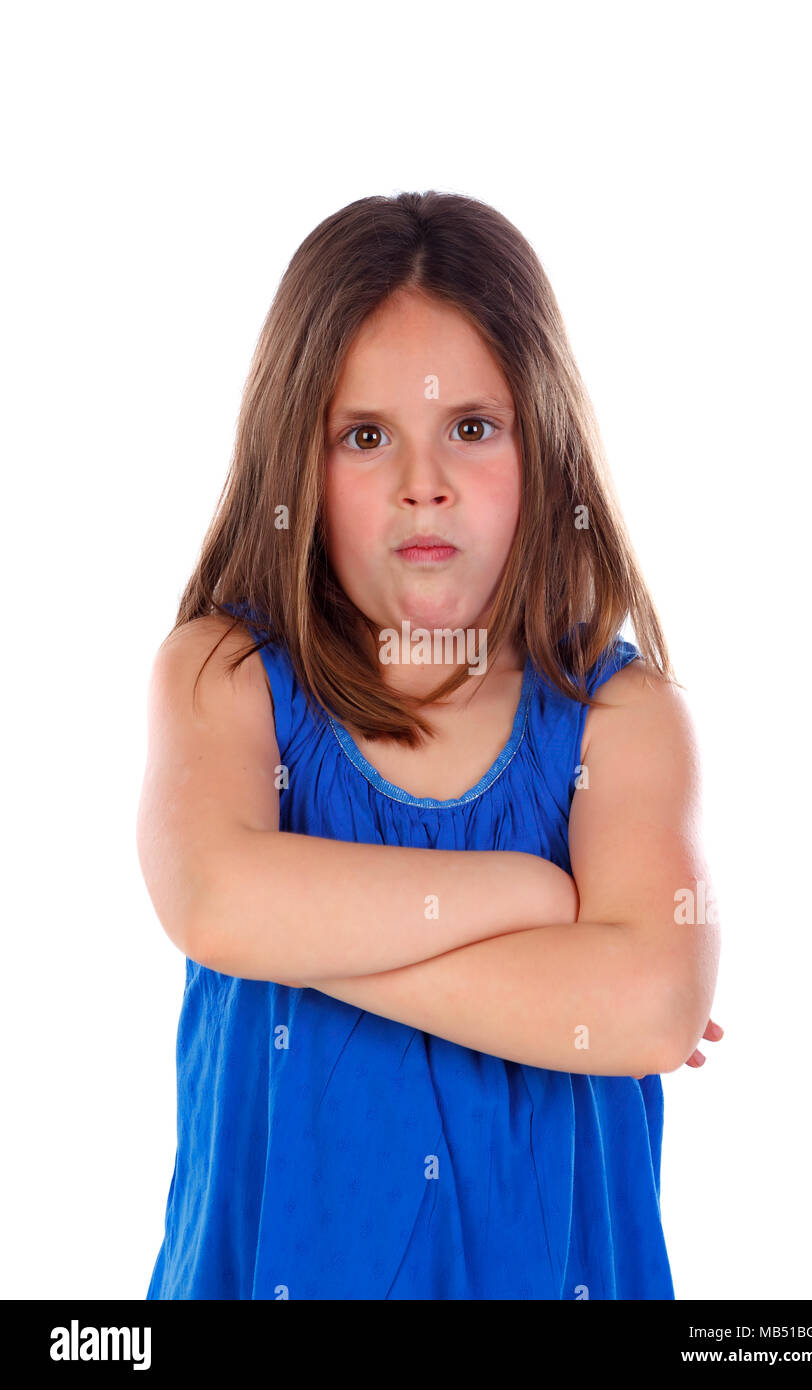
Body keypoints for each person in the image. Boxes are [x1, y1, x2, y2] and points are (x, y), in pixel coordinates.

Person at [138, 190, 722, 1300]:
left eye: (470, 425)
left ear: (539, 443)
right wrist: (534, 897)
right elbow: (216, 897)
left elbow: (648, 1004)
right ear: (295, 465)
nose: (423, 481)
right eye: (365, 436)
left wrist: (305, 931)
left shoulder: (619, 718)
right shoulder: (221, 681)